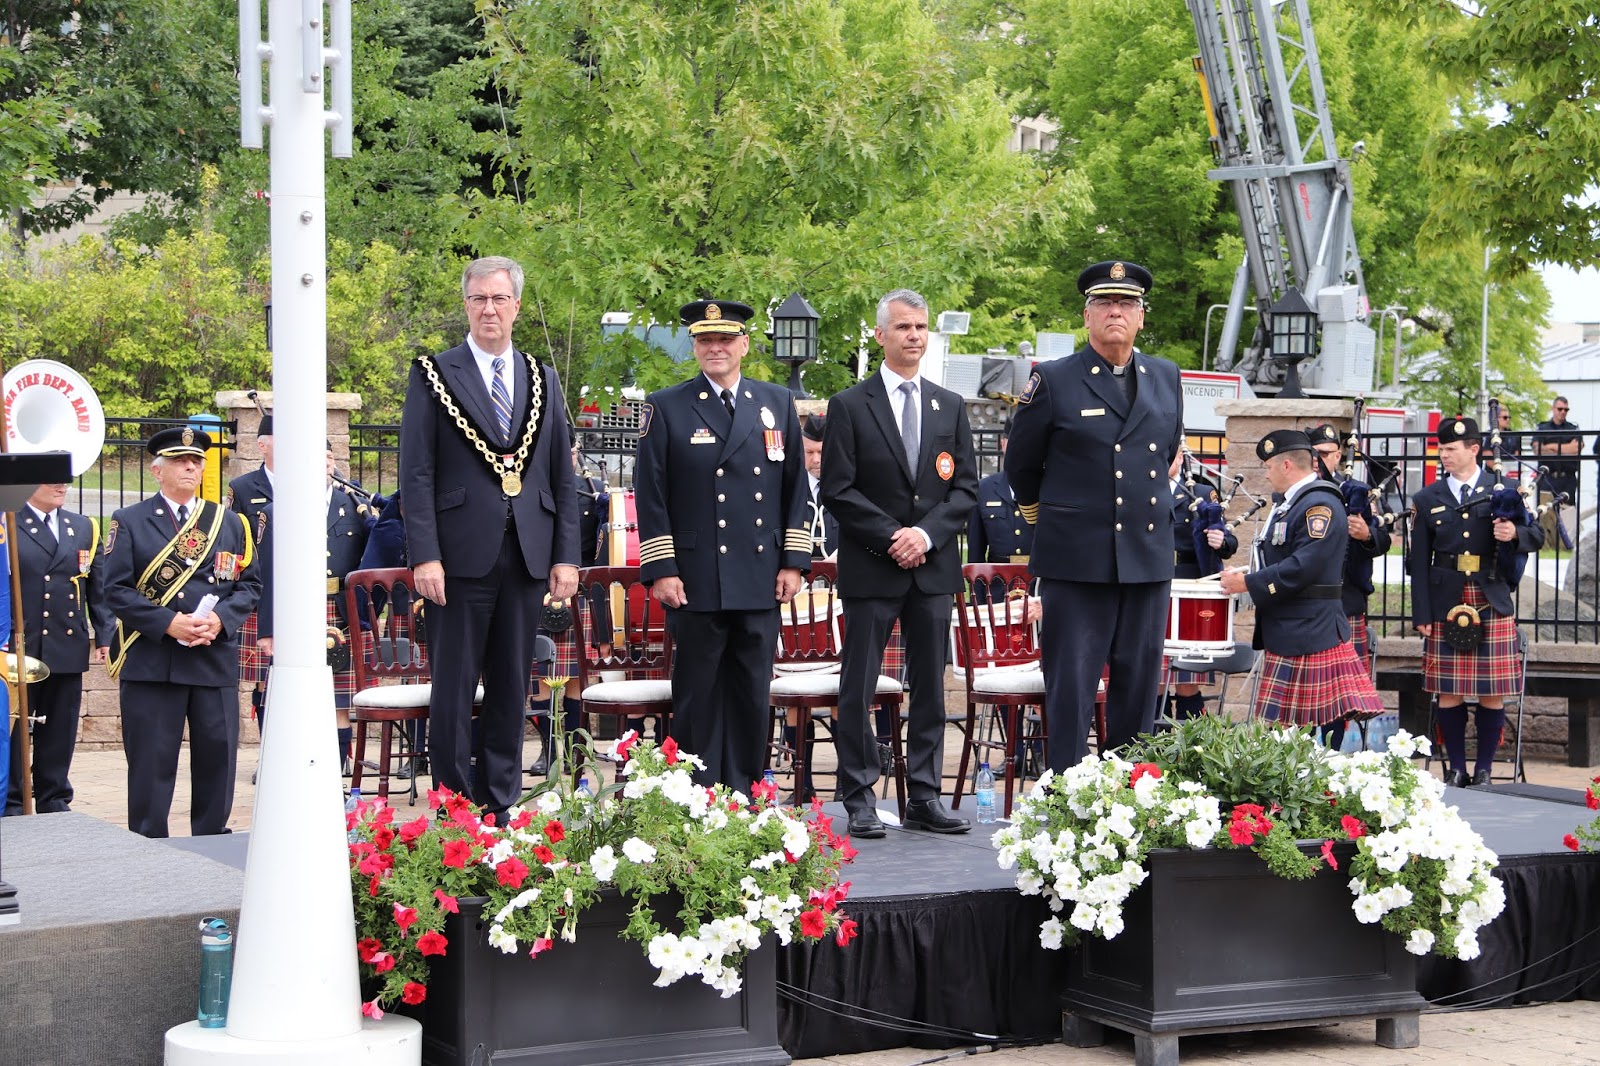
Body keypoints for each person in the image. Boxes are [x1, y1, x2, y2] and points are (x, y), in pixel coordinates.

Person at [399, 255, 580, 821]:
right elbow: (416, 473)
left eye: (499, 299)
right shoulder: (434, 373)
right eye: (478, 299)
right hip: (456, 558)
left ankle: (500, 804)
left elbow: (559, 473)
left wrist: (566, 556)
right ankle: (454, 807)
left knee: (511, 685)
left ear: (517, 306)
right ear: (466, 305)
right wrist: (425, 554)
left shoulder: (540, 376)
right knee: (454, 689)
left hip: (527, 554)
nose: (488, 309)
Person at [1005, 260, 1184, 771]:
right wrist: (1056, 520)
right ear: (1087, 316)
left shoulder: (1166, 376)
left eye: (1127, 304)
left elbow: (1165, 449)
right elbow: (1021, 463)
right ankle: (1067, 790)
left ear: (1141, 318)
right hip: (1076, 559)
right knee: (1072, 686)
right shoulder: (1055, 379)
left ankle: (1132, 791)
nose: (1116, 312)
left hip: (1146, 558)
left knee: (1137, 685)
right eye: (1105, 303)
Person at [821, 288, 978, 839]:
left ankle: (925, 796)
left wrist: (925, 536)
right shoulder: (848, 405)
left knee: (929, 685)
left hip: (931, 569)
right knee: (859, 683)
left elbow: (964, 491)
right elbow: (838, 490)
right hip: (873, 565)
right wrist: (894, 536)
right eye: (904, 327)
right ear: (881, 334)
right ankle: (859, 796)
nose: (914, 335)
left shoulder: (948, 405)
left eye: (921, 327)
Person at [634, 299, 810, 792]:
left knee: (753, 693)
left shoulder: (775, 402)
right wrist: (662, 568)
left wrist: (794, 561)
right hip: (695, 578)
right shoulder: (666, 405)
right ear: (693, 347)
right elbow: (651, 494)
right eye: (705, 340)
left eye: (725, 340)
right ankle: (699, 797)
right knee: (698, 695)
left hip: (759, 577)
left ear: (744, 345)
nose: (716, 348)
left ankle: (748, 794)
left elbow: (797, 488)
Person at [103, 427, 262, 837]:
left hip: (212, 657)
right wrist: (168, 623)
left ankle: (212, 842)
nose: (190, 466)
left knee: (218, 759)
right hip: (154, 661)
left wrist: (222, 620)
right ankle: (148, 847)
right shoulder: (130, 521)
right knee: (151, 765)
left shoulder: (229, 523)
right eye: (179, 460)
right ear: (157, 470)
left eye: (196, 461)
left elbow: (250, 585)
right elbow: (114, 590)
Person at [1219, 431, 1384, 744]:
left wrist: (1248, 583)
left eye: (1267, 466)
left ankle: (1326, 786)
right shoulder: (1292, 504)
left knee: (1323, 721)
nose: (1265, 474)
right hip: (1294, 628)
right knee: (1287, 730)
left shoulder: (1319, 506)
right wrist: (1249, 573)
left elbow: (1304, 566)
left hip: (1312, 629)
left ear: (1285, 465)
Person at [1408, 416, 1543, 787]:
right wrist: (1422, 612)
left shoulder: (1505, 491)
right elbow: (1417, 563)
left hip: (1490, 597)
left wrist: (1515, 532)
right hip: (1445, 601)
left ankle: (1484, 770)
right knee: (1448, 690)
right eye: (1442, 449)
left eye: (1451, 449)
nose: (1444, 456)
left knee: (1492, 691)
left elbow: (1538, 535)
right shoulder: (1427, 498)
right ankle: (1455, 769)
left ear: (1474, 449)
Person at [254, 443, 371, 764]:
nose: (326, 464)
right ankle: (291, 763)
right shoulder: (276, 512)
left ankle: (337, 767)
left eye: (330, 458)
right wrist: (268, 629)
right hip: (296, 611)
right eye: (317, 457)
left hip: (342, 611)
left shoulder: (355, 506)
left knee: (340, 700)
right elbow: (266, 574)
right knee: (293, 695)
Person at [5, 482, 111, 814]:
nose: (60, 486)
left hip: (66, 641)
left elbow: (98, 586)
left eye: (64, 479)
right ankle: (13, 797)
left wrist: (105, 634)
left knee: (60, 725)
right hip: (21, 642)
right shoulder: (8, 523)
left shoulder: (82, 527)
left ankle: (53, 795)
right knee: (16, 723)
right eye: (50, 479)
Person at [1308, 424, 1391, 675]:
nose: (1317, 461)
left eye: (1324, 454)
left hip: (1345, 599)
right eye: (1313, 454)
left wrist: (1366, 534)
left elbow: (1383, 540)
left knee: (1346, 691)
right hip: (1302, 602)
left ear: (1337, 456)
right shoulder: (1294, 492)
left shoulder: (1359, 492)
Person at [1165, 452, 1237, 720]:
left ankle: (1190, 745)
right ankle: (1152, 745)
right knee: (1154, 681)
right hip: (1150, 586)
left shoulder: (1201, 492)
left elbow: (1229, 542)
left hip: (1190, 589)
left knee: (1186, 681)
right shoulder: (1139, 488)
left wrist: (1221, 541)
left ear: (1180, 456)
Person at [228, 414, 275, 736]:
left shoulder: (310, 482)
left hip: (305, 593)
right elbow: (231, 540)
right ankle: (268, 752)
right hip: (260, 591)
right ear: (262, 445)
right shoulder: (243, 487)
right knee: (264, 675)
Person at [966, 426, 1032, 567]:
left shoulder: (1044, 488)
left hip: (1036, 582)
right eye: (1013, 441)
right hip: (997, 583)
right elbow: (976, 552)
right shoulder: (983, 489)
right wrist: (978, 588)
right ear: (1002, 444)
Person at [1533, 396, 1580, 548]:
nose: (1563, 412)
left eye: (1566, 410)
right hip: (1548, 478)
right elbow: (1537, 449)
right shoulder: (1543, 428)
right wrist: (1564, 448)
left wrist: (1551, 447)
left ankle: (1566, 546)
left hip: (1567, 479)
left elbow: (1576, 449)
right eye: (1560, 409)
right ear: (1553, 409)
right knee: (1545, 512)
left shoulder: (1573, 429)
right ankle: (1545, 546)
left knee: (1567, 513)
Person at [802, 415, 838, 560]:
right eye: (809, 452)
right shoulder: (790, 488)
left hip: (840, 574)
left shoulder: (848, 487)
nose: (816, 460)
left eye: (821, 452)